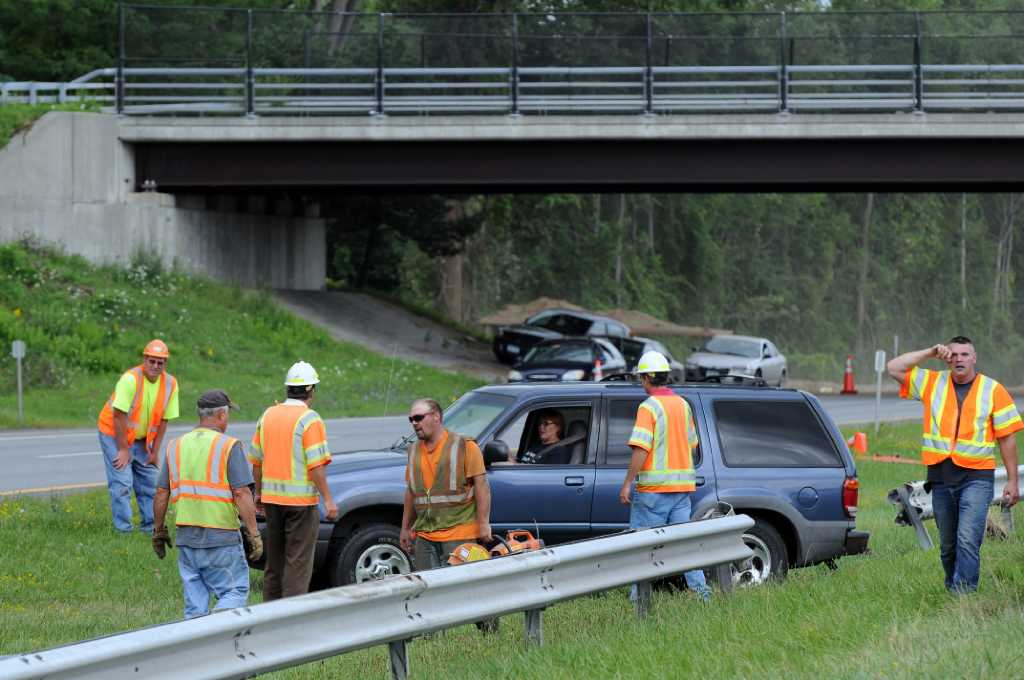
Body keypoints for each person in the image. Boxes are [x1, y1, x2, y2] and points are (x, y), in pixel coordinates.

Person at [887, 336, 1022, 593]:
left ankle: (964, 596)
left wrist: (1013, 482)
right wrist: (929, 352)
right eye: (955, 354)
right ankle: (953, 588)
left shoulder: (993, 390)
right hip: (940, 478)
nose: (959, 359)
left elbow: (1007, 439)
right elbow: (894, 367)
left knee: (967, 538)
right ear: (948, 358)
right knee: (948, 545)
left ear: (974, 358)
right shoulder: (932, 382)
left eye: (965, 354)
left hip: (977, 477)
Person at [151, 390, 263, 619]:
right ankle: (221, 633)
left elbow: (162, 492)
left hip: (187, 539)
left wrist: (158, 531)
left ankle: (198, 639)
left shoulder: (175, 446)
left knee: (195, 607)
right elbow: (241, 492)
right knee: (234, 592)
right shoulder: (229, 446)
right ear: (221, 415)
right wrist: (254, 534)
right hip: (221, 537)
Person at [619, 350, 711, 603]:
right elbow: (692, 444)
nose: (640, 382)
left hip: (653, 491)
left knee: (642, 550)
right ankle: (703, 597)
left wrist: (627, 483)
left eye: (641, 378)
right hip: (681, 490)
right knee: (685, 548)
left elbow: (641, 448)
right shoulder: (682, 405)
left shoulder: (648, 407)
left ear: (647, 378)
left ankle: (639, 601)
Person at [249, 361, 337, 601]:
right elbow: (316, 465)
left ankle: (270, 612)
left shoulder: (267, 415)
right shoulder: (310, 419)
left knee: (274, 563)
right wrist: (329, 500)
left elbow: (256, 462)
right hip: (300, 505)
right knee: (297, 564)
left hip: (272, 502)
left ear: (288, 388)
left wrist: (259, 494)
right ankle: (291, 614)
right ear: (311, 390)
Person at [97, 339, 179, 534]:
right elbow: (118, 415)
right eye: (152, 361)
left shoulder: (170, 384)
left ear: (165, 364)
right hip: (114, 434)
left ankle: (150, 528)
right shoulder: (131, 379)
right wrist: (123, 449)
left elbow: (164, 420)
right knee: (122, 482)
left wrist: (155, 452)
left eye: (160, 362)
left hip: (142, 440)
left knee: (150, 483)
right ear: (145, 359)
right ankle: (123, 531)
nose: (155, 366)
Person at [508, 409, 573, 465]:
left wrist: (513, 463)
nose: (541, 427)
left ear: (558, 427)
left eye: (546, 424)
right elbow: (523, 465)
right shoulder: (536, 444)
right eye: (540, 423)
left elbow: (548, 474)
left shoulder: (559, 451)